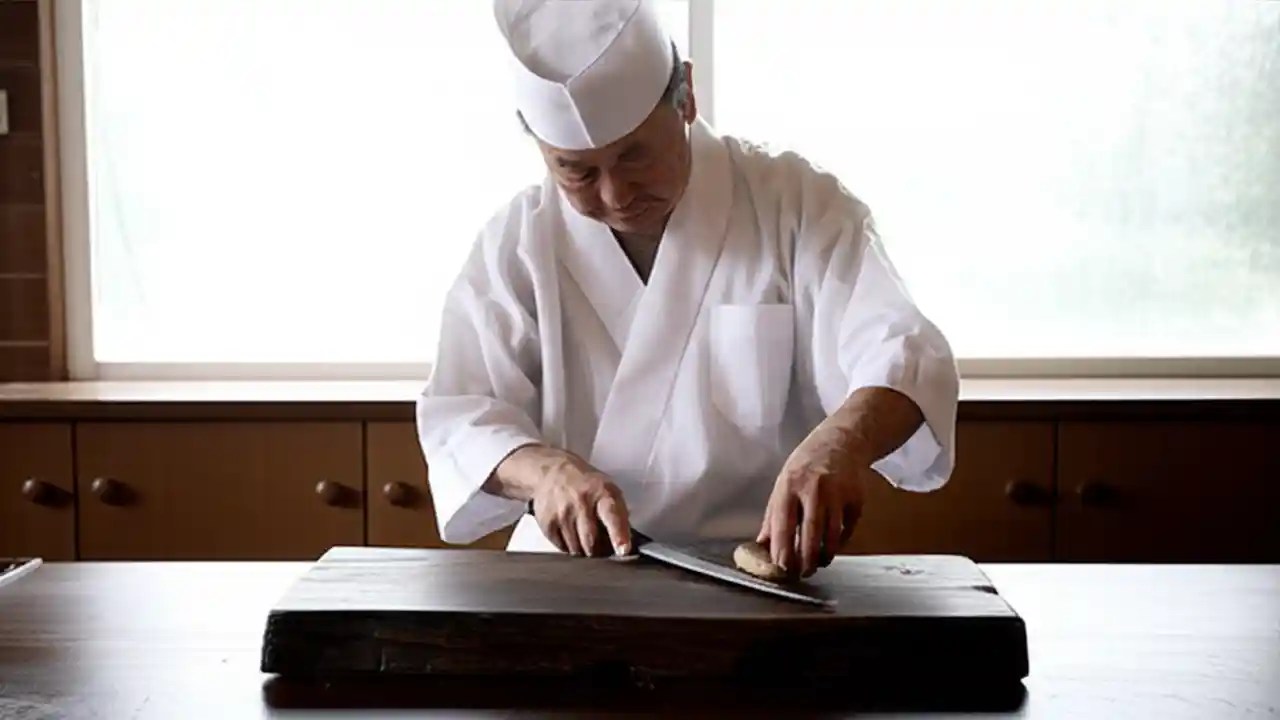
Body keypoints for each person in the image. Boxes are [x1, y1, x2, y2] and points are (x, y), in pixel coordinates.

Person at [416, 0, 959, 578]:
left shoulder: (797, 207)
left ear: (687, 97)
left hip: (754, 576)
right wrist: (544, 473)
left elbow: (902, 355)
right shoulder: (517, 244)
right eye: (577, 171)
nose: (616, 195)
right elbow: (461, 413)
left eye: (635, 156)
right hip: (565, 577)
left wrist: (839, 445)